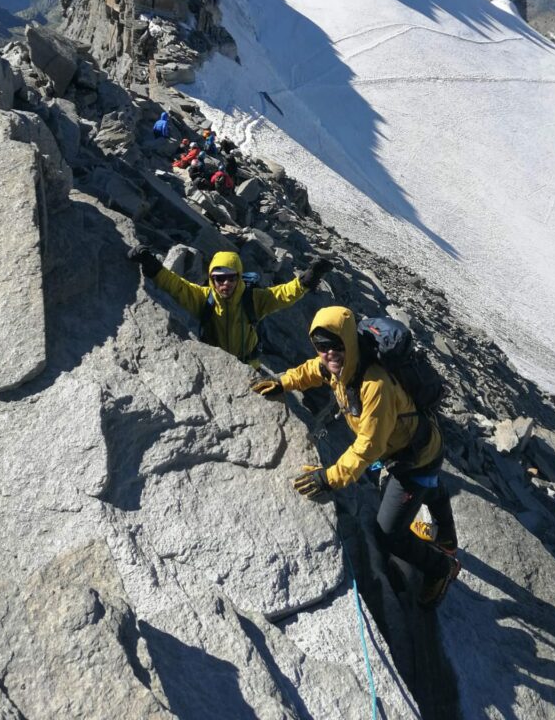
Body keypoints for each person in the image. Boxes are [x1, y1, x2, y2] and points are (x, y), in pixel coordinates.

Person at [252, 306, 460, 606]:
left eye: (336, 346)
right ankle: (447, 539)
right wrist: (285, 382)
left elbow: (369, 446)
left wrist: (329, 478)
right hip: (416, 442)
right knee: (430, 487)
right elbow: (314, 369)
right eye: (321, 346)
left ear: (349, 342)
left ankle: (443, 568)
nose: (329, 354)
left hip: (413, 458)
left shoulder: (373, 384)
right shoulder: (342, 365)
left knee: (388, 532)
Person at [127, 248, 333, 368]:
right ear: (211, 279)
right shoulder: (203, 298)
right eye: (219, 278)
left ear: (238, 277)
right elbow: (176, 286)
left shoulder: (253, 299)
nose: (225, 284)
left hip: (248, 365)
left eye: (231, 278)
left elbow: (282, 294)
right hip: (215, 364)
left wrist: (307, 280)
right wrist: (152, 265)